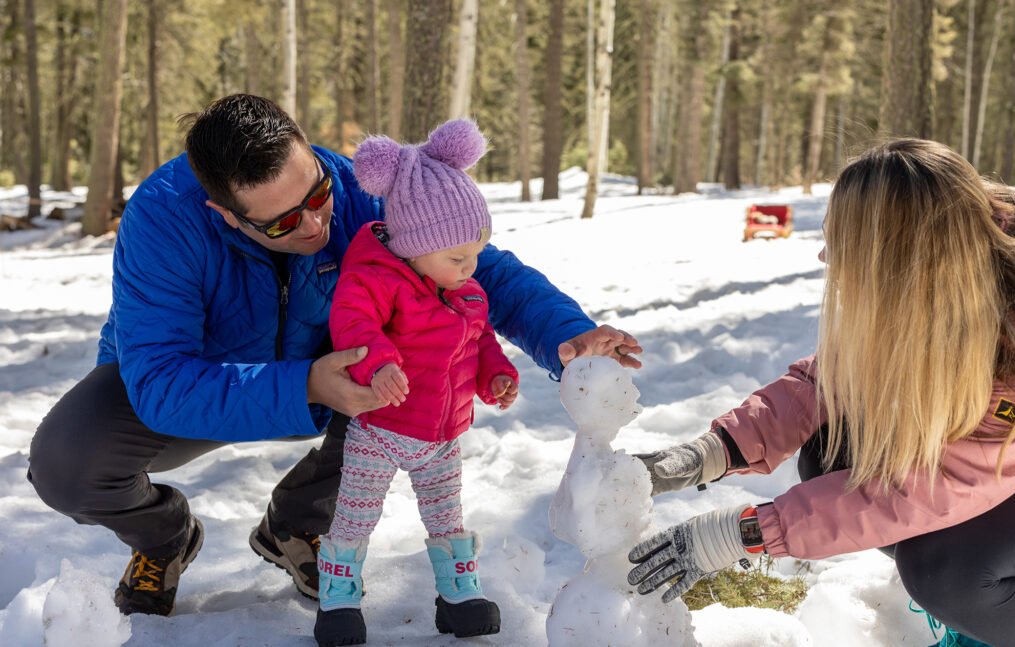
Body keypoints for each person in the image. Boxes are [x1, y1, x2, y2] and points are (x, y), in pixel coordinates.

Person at [26, 93, 642, 618]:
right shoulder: (162, 222)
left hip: (335, 381)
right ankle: (163, 537)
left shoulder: (354, 191)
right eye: (283, 222)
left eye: (315, 192)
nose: (316, 223)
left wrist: (570, 335)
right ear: (225, 213)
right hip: (187, 392)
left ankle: (295, 524)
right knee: (65, 465)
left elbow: (479, 271)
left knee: (411, 347)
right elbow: (160, 381)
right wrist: (308, 385)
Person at [626, 139, 1015, 647]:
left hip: (998, 464)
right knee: (835, 450)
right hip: (993, 471)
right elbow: (833, 381)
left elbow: (922, 491)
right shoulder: (942, 280)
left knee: (944, 569)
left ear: (896, 256)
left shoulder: (1014, 350)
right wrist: (713, 452)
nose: (824, 255)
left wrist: (741, 534)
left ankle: (990, 619)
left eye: (843, 242)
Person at [314, 119, 517, 646]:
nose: (471, 266)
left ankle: (459, 596)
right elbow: (354, 325)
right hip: (381, 428)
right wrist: (379, 366)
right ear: (412, 243)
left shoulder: (467, 290)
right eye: (457, 256)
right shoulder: (375, 278)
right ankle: (339, 602)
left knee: (448, 517)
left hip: (442, 436)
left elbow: (481, 340)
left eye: (475, 251)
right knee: (356, 516)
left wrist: (496, 374)